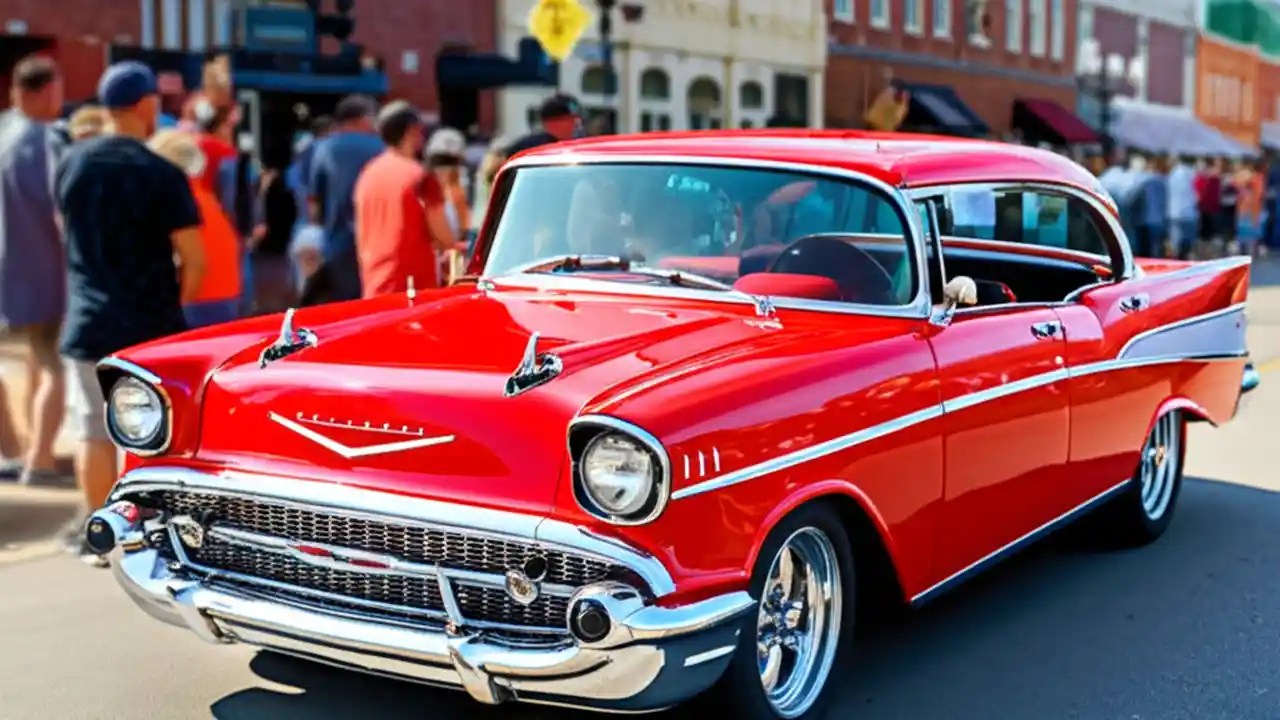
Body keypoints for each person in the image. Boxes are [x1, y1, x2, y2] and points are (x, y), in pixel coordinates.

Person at [55, 61, 205, 563]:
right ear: (145, 105)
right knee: (157, 435)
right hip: (150, 327)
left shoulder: (71, 163)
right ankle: (155, 535)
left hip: (88, 319)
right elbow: (195, 257)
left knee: (92, 431)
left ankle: (101, 535)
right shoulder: (161, 173)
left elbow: (66, 233)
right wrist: (174, 303)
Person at [0, 55, 66, 485]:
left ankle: (11, 452)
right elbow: (61, 211)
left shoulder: (2, 132)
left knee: (26, 367)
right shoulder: (47, 141)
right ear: (42, 92)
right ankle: (39, 459)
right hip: (42, 271)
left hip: (6, 272)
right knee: (54, 367)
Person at [354, 101, 466, 297]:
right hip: (411, 290)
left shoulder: (367, 174)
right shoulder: (419, 176)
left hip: (373, 285)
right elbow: (443, 236)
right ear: (412, 131)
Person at [146, 129, 242, 328]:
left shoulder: (177, 199)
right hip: (224, 298)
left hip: (198, 304)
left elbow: (195, 264)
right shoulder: (203, 195)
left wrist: (177, 308)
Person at [308, 95, 383, 302]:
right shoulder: (380, 148)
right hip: (375, 243)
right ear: (363, 119)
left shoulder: (323, 148)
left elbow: (314, 202)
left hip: (336, 243)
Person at [505, 93, 583, 157]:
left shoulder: (580, 146)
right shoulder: (528, 148)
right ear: (552, 122)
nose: (576, 123)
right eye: (570, 119)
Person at [1167, 154, 1200, 260]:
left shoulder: (1173, 173)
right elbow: (1198, 195)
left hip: (1173, 213)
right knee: (1186, 247)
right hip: (1189, 214)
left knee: (1175, 245)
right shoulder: (1193, 173)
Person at [1233, 157, 1265, 257]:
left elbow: (1236, 185)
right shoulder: (1257, 178)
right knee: (1251, 229)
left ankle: (1245, 248)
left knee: (1244, 229)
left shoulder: (1246, 176)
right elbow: (1260, 194)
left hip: (1245, 208)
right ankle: (1250, 249)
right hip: (1252, 209)